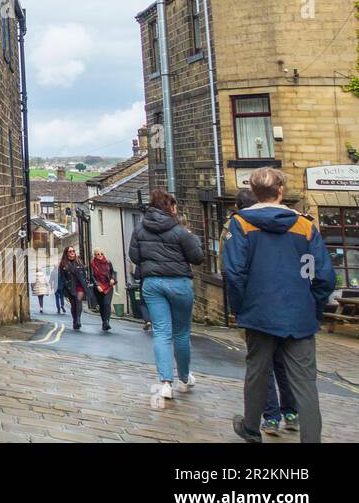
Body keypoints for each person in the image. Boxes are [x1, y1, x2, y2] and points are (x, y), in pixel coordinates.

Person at [226, 168, 335, 444]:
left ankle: (251, 428)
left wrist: (240, 308)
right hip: (299, 314)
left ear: (253, 191)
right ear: (281, 191)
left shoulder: (241, 224)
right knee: (305, 383)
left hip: (259, 311)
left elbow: (234, 273)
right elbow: (323, 276)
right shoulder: (305, 226)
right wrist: (313, 306)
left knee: (257, 373)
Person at [130, 188, 204, 402]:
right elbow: (197, 257)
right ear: (170, 207)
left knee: (161, 332)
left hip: (152, 283)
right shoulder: (180, 230)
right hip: (179, 283)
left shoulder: (139, 229)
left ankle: (165, 384)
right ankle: (183, 377)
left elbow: (134, 256)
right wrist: (193, 239)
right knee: (181, 333)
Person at [57, 247, 91, 331]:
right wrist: (64, 286)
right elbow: (62, 277)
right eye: (70, 251)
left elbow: (84, 273)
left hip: (80, 285)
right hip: (70, 286)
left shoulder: (79, 261)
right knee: (73, 304)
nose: (72, 252)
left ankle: (78, 320)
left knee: (78, 301)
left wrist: (86, 282)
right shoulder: (63, 264)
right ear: (66, 253)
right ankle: (75, 320)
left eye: (73, 251)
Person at [90, 249, 118, 331]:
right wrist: (97, 285)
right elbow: (92, 276)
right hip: (98, 287)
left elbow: (113, 272)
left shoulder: (108, 262)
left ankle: (106, 322)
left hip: (108, 286)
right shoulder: (92, 264)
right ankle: (104, 322)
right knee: (102, 305)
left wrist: (113, 279)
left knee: (107, 303)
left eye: (101, 254)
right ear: (95, 255)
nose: (100, 255)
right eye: (97, 254)